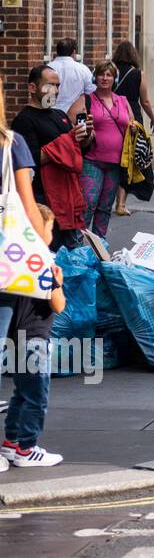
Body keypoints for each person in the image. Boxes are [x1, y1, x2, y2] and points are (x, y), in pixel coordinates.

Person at [0, 82, 45, 472]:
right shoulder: (11, 145)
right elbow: (30, 210)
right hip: (6, 268)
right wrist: (46, 258)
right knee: (18, 356)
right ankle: (17, 445)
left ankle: (15, 442)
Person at [2, 203, 66, 470]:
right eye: (50, 227)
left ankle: (11, 443)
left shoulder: (15, 262)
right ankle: (27, 448)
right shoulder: (45, 263)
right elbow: (58, 305)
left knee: (21, 393)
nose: (52, 233)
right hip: (37, 338)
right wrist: (59, 283)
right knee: (36, 395)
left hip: (16, 338)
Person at [12, 64, 92, 251]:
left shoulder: (59, 115)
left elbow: (77, 151)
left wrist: (85, 136)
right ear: (33, 88)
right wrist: (68, 141)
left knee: (72, 254)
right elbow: (31, 160)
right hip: (43, 196)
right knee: (49, 252)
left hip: (68, 196)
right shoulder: (24, 120)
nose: (55, 91)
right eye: (50, 85)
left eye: (58, 86)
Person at [81, 61, 132, 239]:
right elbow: (76, 124)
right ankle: (77, 246)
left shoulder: (122, 101)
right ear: (95, 77)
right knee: (88, 202)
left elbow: (132, 125)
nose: (105, 78)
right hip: (92, 160)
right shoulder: (87, 99)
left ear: (114, 78)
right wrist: (86, 131)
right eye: (101, 74)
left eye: (109, 74)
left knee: (105, 207)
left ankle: (99, 248)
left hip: (116, 162)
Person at [110, 41, 154, 216]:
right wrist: (152, 117)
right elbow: (144, 101)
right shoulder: (138, 74)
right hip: (132, 118)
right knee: (129, 158)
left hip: (113, 113)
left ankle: (112, 198)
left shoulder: (110, 72)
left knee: (116, 156)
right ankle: (121, 203)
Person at [47, 38, 94, 119]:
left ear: (57, 52)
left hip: (50, 115)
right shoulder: (82, 69)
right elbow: (92, 91)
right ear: (74, 52)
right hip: (76, 116)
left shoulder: (47, 68)